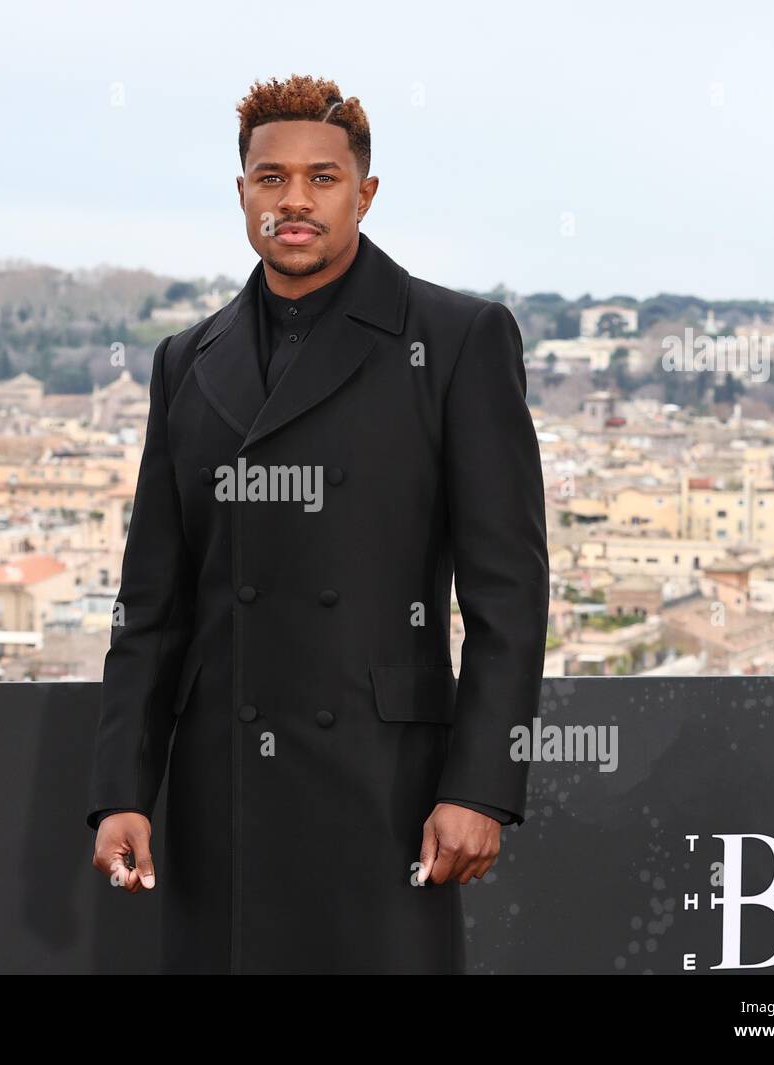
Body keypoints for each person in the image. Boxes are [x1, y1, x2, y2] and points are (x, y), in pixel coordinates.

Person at [87, 74, 549, 974]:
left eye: (322, 178)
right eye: (272, 178)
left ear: (364, 194)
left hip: (386, 791)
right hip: (222, 796)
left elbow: (509, 595)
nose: (294, 199)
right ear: (242, 193)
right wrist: (121, 791)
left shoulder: (457, 338)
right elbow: (150, 607)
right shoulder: (185, 360)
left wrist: (482, 789)